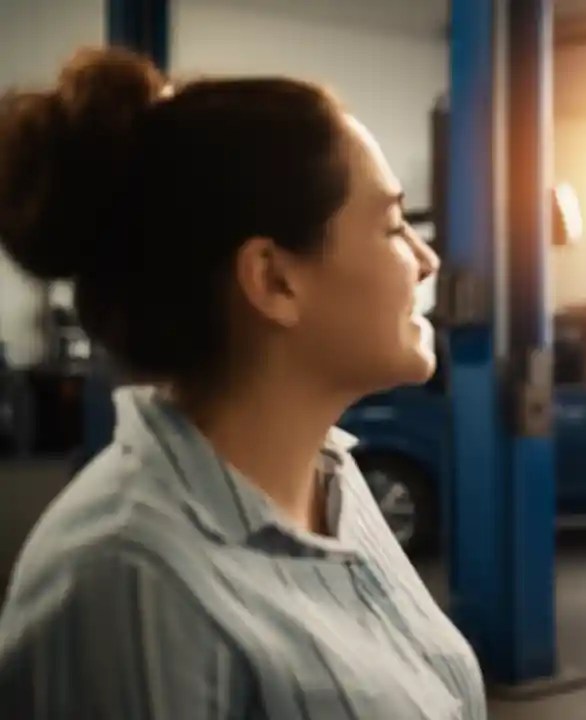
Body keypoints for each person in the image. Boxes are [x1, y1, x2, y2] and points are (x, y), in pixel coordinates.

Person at [0, 48, 485, 719]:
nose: (427, 260)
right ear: (274, 279)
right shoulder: (127, 580)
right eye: (392, 225)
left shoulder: (336, 485)